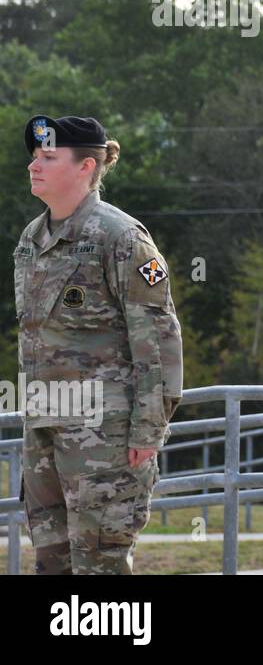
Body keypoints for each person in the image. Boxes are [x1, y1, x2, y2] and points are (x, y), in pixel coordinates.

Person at [17, 114, 184, 574]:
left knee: (100, 563)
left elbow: (158, 341)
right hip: (45, 425)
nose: (34, 165)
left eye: (48, 157)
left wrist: (148, 430)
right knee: (51, 563)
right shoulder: (32, 238)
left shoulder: (121, 237)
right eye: (34, 156)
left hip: (104, 436)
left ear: (86, 166)